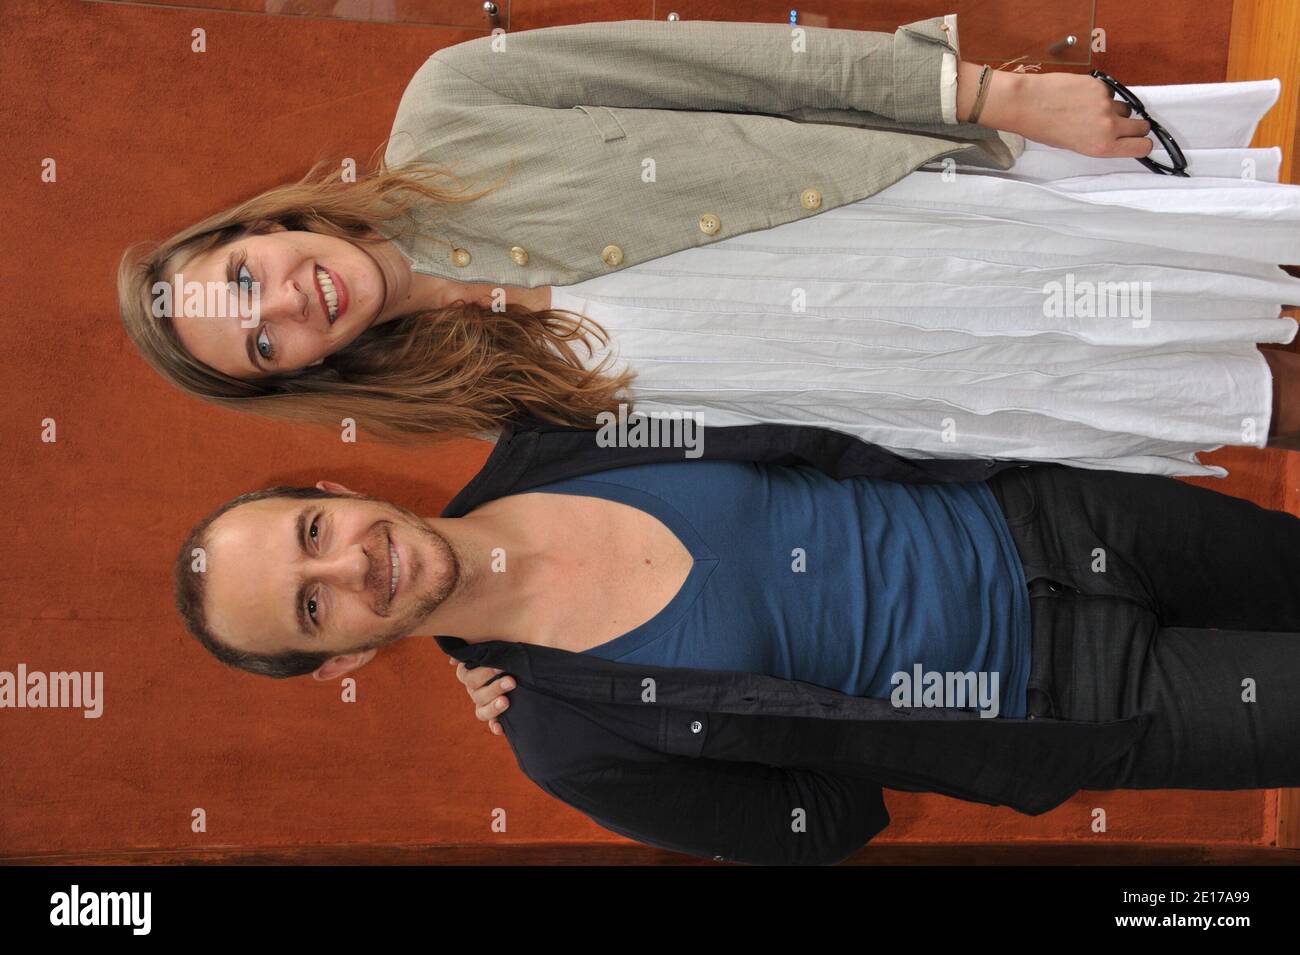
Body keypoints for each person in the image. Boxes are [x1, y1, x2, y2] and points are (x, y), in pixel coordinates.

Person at [118, 15, 1300, 474]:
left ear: (258, 227)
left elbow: (745, 65)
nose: (286, 302)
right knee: (1249, 395)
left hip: (937, 223)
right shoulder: (471, 395)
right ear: (298, 373)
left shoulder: (450, 104)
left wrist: (994, 96)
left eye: (242, 279)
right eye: (263, 343)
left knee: (1249, 276)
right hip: (940, 379)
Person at [172, 416, 1300, 864]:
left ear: (330, 488)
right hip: (1077, 701)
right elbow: (813, 826)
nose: (350, 563)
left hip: (1053, 515)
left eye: (313, 532)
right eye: (314, 605)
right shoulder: (569, 742)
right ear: (342, 665)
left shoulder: (563, 426)